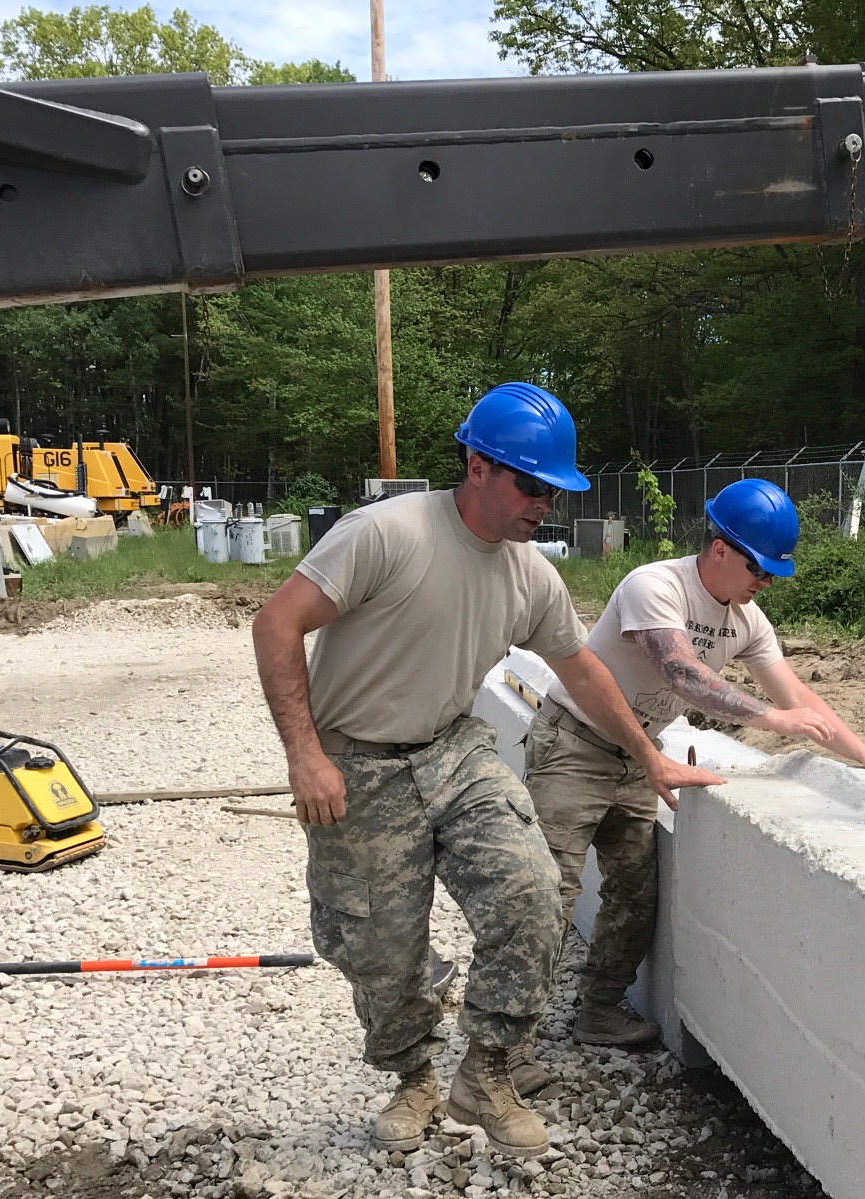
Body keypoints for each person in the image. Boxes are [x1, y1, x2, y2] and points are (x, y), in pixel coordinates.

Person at [251, 382, 722, 1157]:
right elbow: (277, 623)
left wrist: (650, 757)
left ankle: (489, 1071)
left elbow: (581, 671)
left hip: (454, 749)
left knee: (533, 891)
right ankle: (412, 1078)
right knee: (376, 944)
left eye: (555, 491)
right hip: (356, 762)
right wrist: (304, 756)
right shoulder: (387, 534)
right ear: (478, 467)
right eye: (532, 486)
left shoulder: (529, 575)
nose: (545, 504)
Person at [519, 479, 865, 1083]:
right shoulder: (655, 586)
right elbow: (680, 671)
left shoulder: (747, 620)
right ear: (720, 548)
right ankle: (506, 1047)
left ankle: (599, 1010)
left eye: (773, 572)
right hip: (576, 746)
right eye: (758, 568)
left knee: (635, 894)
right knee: (544, 895)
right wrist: (768, 719)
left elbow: (796, 695)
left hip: (641, 759)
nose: (765, 582)